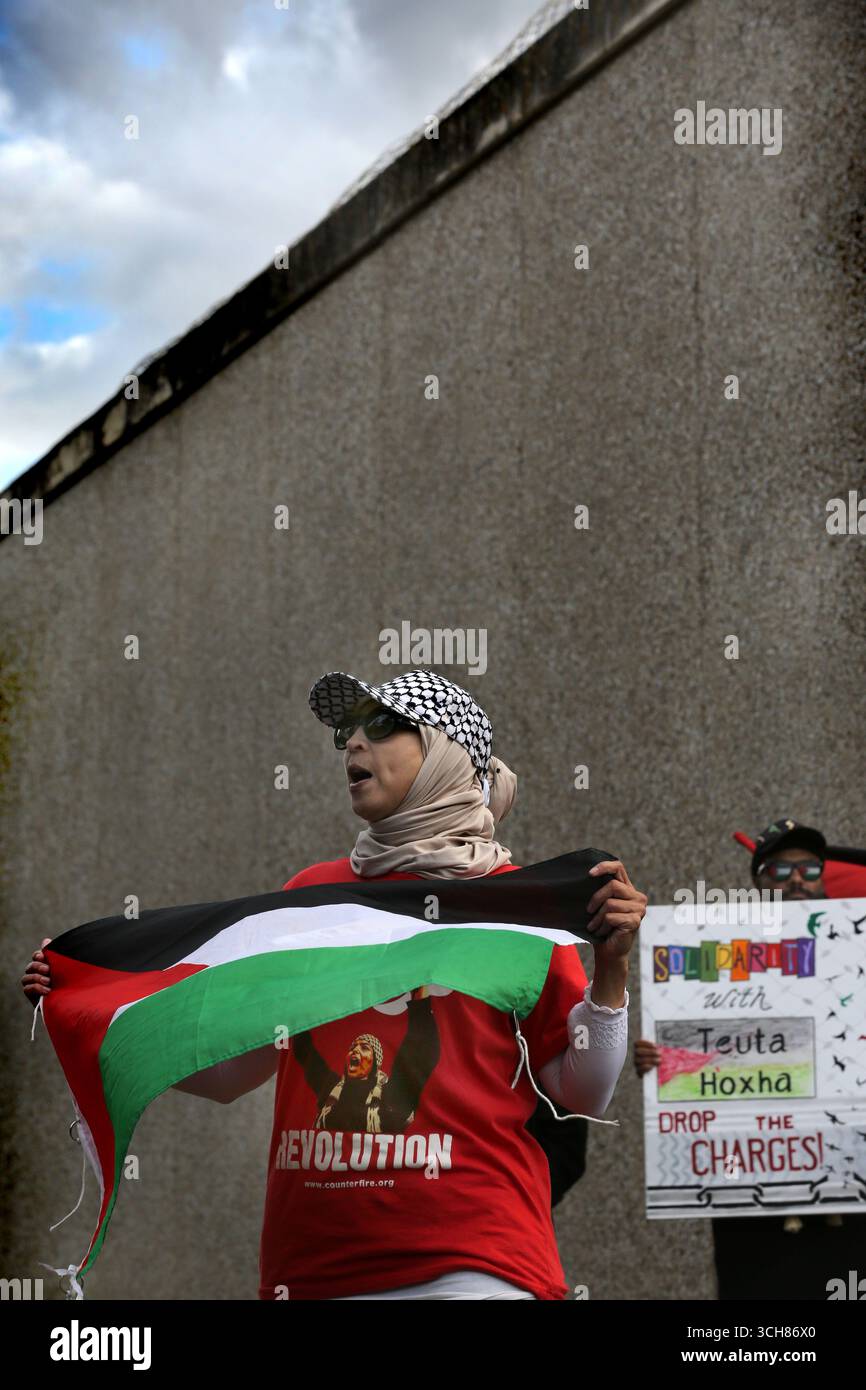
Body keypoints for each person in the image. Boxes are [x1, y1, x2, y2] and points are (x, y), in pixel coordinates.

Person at [23, 667, 647, 1301]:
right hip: (313, 1271)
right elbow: (231, 1075)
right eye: (347, 733)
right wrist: (92, 1012)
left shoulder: (517, 904)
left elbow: (584, 1090)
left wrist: (613, 969)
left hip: (473, 1267)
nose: (353, 743)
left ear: (445, 755)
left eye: (381, 726)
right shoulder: (310, 900)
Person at [634, 817, 863, 1301]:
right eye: (781, 871)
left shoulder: (857, 951)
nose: (798, 879)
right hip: (751, 1197)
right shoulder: (718, 956)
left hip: (847, 1192)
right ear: (759, 882)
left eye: (810, 869)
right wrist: (662, 1062)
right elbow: (704, 1051)